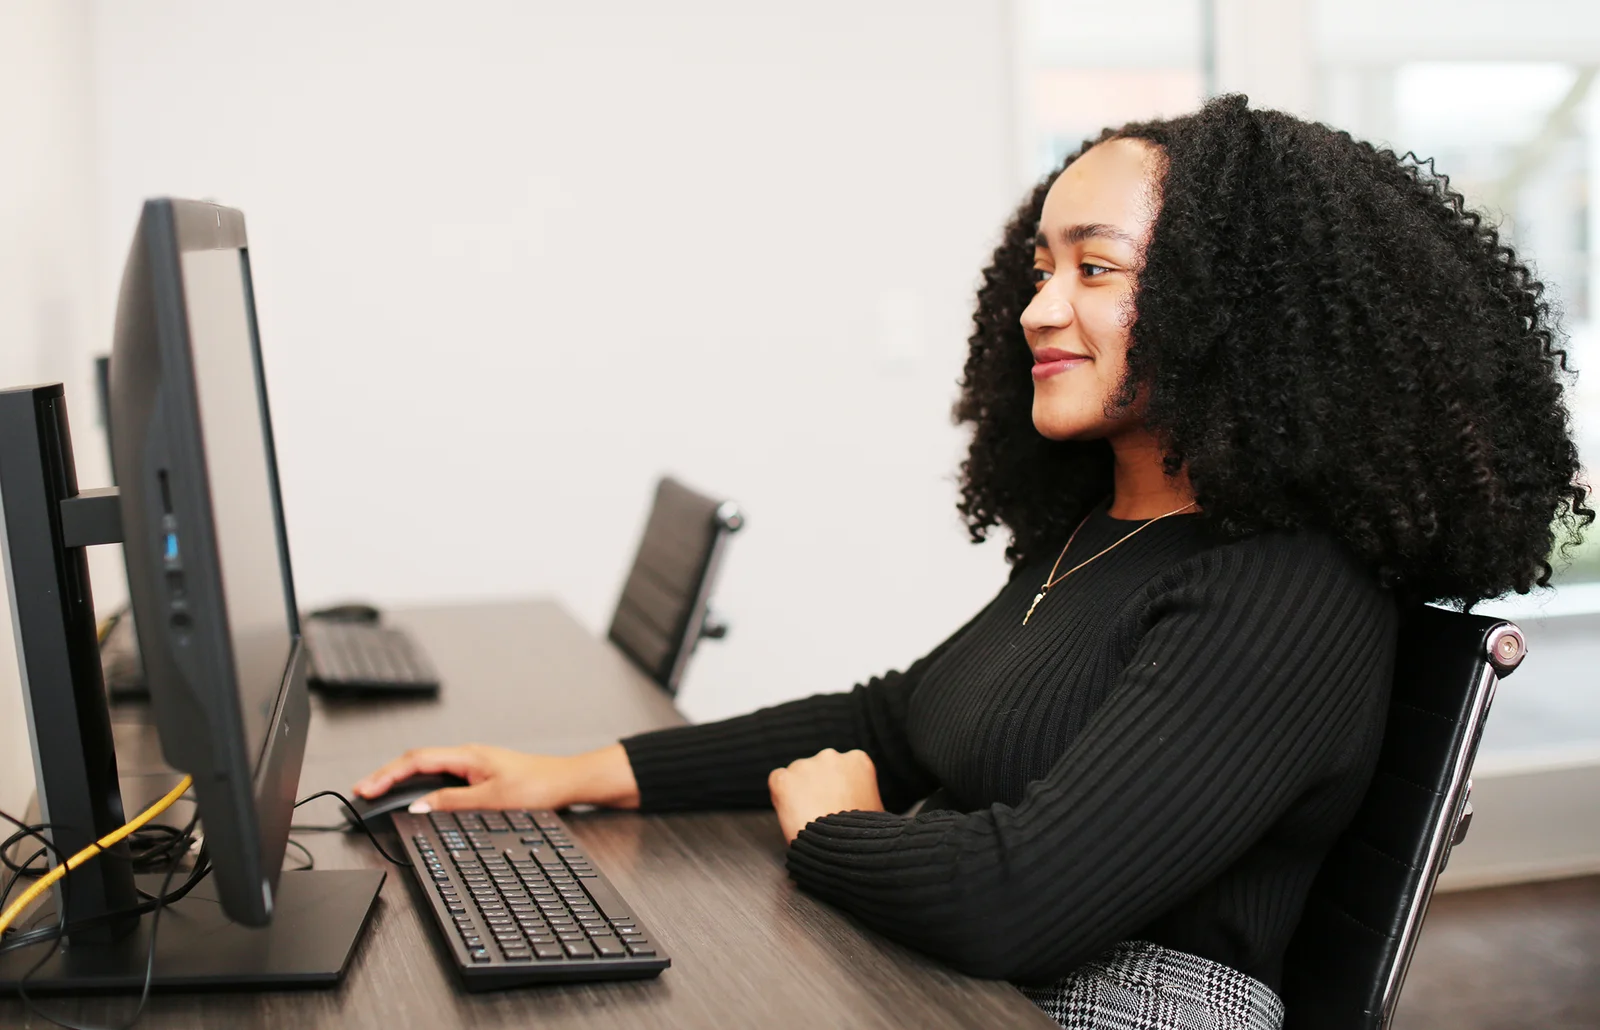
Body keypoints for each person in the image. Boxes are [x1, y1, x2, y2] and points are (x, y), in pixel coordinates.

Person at [355, 96, 1592, 1029]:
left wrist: (829, 830)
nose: (1038, 309)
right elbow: (895, 717)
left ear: (1233, 311)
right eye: (1041, 267)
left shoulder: (1283, 589)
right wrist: (580, 771)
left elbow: (1021, 896)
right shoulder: (1104, 537)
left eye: (1093, 270)